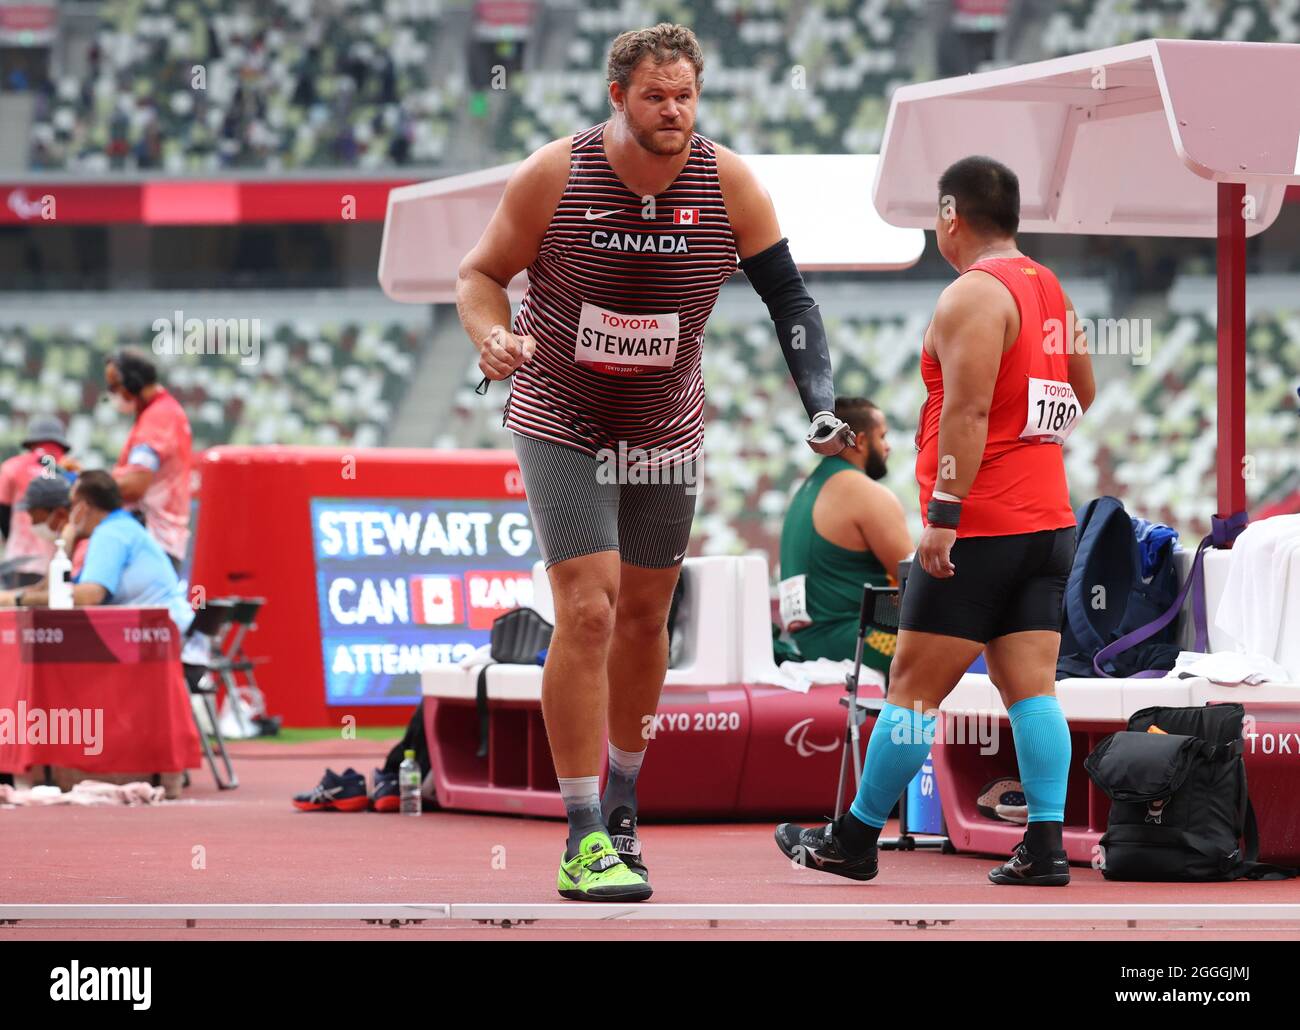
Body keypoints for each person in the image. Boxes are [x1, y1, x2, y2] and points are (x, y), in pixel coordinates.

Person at [456, 23, 852, 901]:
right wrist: (491, 335)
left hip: (665, 426)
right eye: (654, 97)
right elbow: (479, 274)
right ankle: (583, 831)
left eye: (685, 96)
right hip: (560, 411)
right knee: (587, 612)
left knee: (644, 620)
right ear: (616, 98)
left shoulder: (730, 181)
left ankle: (627, 807)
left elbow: (790, 297)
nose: (672, 112)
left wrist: (820, 402)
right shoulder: (556, 174)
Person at [776, 155, 1096, 886]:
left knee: (913, 692)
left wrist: (945, 517)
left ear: (952, 215)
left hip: (978, 524)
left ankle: (852, 840)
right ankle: (1045, 846)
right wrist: (1030, 446)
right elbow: (1082, 389)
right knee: (1032, 691)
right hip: (1049, 521)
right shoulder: (1050, 289)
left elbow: (970, 410)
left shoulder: (971, 295)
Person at [778, 396, 912, 670]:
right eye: (882, 437)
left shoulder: (806, 489)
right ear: (860, 441)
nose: (887, 447)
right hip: (852, 640)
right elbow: (916, 585)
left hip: (808, 640)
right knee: (948, 637)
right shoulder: (864, 492)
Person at [0, 471, 193, 635]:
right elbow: (53, 589)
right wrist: (68, 541)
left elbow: (89, 596)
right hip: (160, 635)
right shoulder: (119, 527)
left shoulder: (111, 533)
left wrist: (18, 600)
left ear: (82, 508)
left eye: (71, 505)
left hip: (168, 642)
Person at [106, 348, 193, 573]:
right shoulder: (163, 412)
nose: (112, 394)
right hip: (160, 542)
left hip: (152, 541)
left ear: (133, 383)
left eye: (114, 386)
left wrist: (90, 485)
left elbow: (135, 486)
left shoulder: (157, 419)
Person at [0, 415, 72, 586]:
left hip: (18, 558)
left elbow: (2, 509)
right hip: (57, 561)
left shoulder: (12, 467)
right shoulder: (69, 471)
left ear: (31, 443)